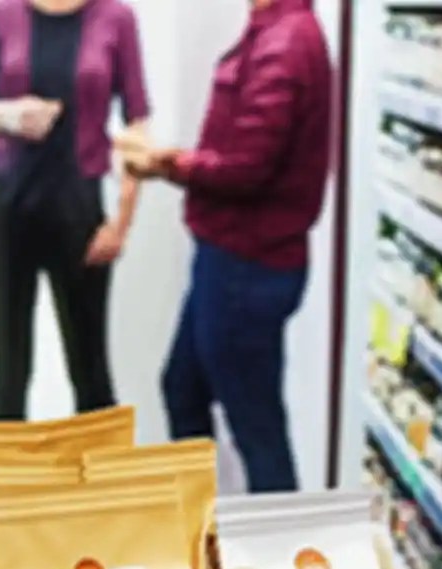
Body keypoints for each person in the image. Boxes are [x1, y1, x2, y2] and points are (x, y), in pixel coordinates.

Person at [120, 0, 332, 493]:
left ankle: (278, 557)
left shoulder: (286, 41)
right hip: (229, 257)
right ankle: (203, 538)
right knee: (183, 389)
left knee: (257, 429)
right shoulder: (274, 30)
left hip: (247, 264)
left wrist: (168, 165)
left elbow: (246, 167)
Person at [0, 0, 151, 421]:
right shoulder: (4, 13)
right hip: (5, 210)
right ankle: (7, 486)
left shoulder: (116, 18)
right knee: (8, 374)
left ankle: (98, 485)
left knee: (91, 373)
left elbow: (137, 124)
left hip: (79, 214)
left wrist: (121, 221)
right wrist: (9, 115)